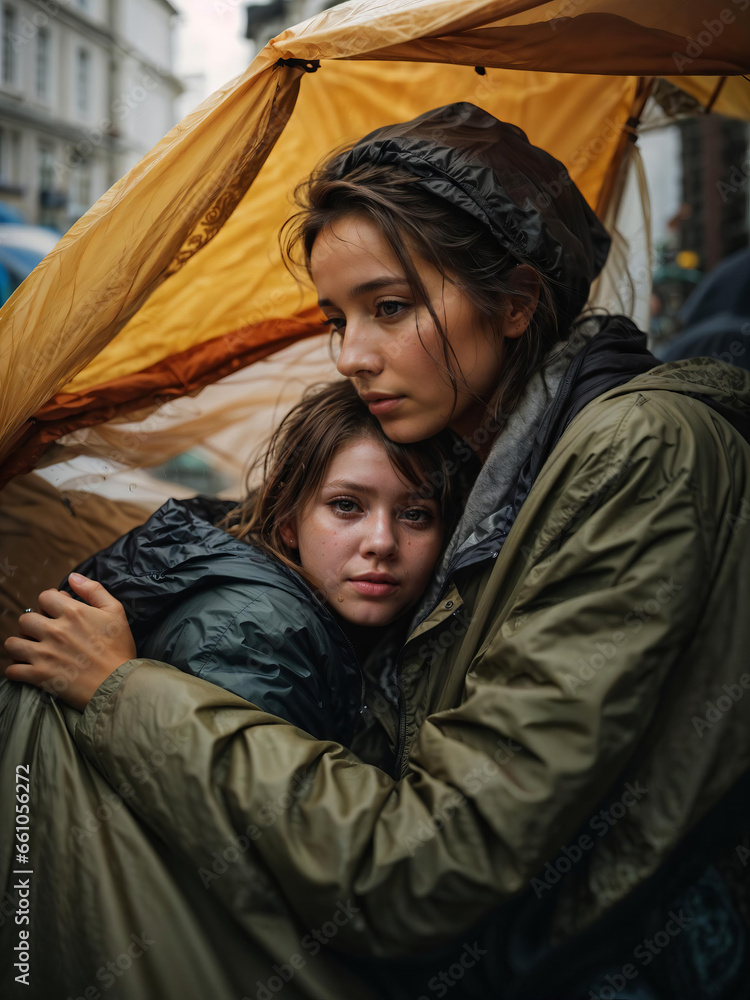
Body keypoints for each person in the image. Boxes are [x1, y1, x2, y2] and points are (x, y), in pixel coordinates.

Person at [5, 102, 750, 1000]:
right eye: (337, 315)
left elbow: (429, 870)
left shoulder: (637, 451)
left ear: (514, 302)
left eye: (390, 308)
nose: (353, 355)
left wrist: (124, 693)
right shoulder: (504, 465)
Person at [57, 379, 464, 746]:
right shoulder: (254, 633)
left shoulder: (357, 624)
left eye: (415, 514)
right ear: (287, 522)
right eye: (346, 505)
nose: (382, 543)